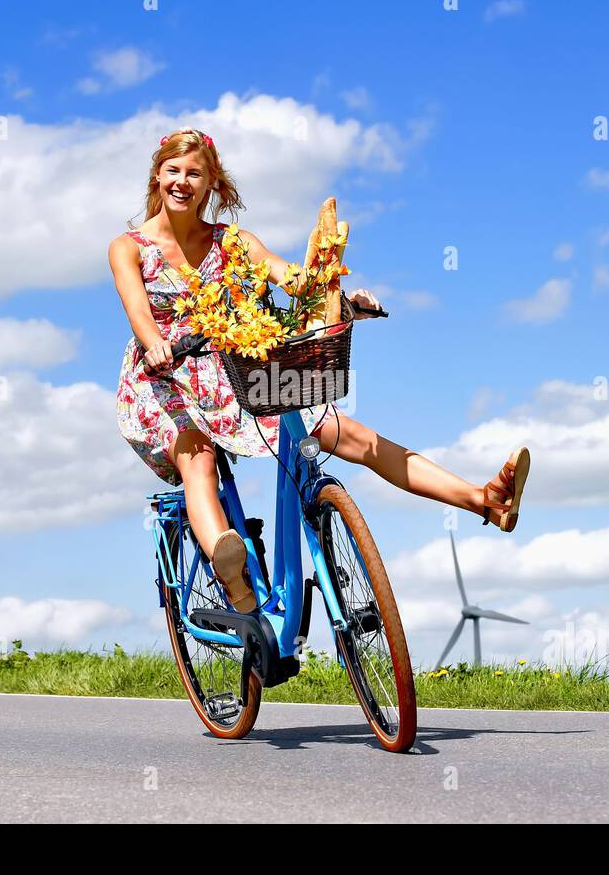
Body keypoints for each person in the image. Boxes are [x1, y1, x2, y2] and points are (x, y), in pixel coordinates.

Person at [111, 127, 530, 612]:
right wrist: (157, 343)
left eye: (195, 174)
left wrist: (340, 296)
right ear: (158, 177)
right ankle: (230, 570)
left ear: (213, 186)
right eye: (173, 171)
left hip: (232, 371)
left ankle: (484, 499)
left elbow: (294, 278)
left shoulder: (235, 243)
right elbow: (138, 309)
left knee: (345, 433)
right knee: (197, 458)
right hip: (165, 382)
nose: (182, 182)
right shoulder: (129, 247)